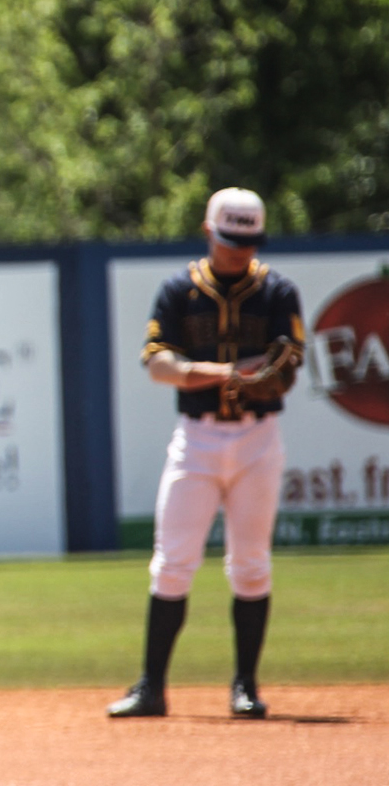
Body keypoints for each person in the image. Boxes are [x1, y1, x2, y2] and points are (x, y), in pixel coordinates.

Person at [109, 188, 304, 720]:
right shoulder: (179, 290)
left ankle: (245, 687)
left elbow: (286, 365)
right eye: (229, 239)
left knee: (251, 566)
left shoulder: (277, 292)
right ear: (208, 232)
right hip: (196, 438)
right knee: (172, 562)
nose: (238, 250)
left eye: (248, 241)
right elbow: (157, 364)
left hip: (257, 439)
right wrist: (228, 372)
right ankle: (151, 687)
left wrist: (226, 369)